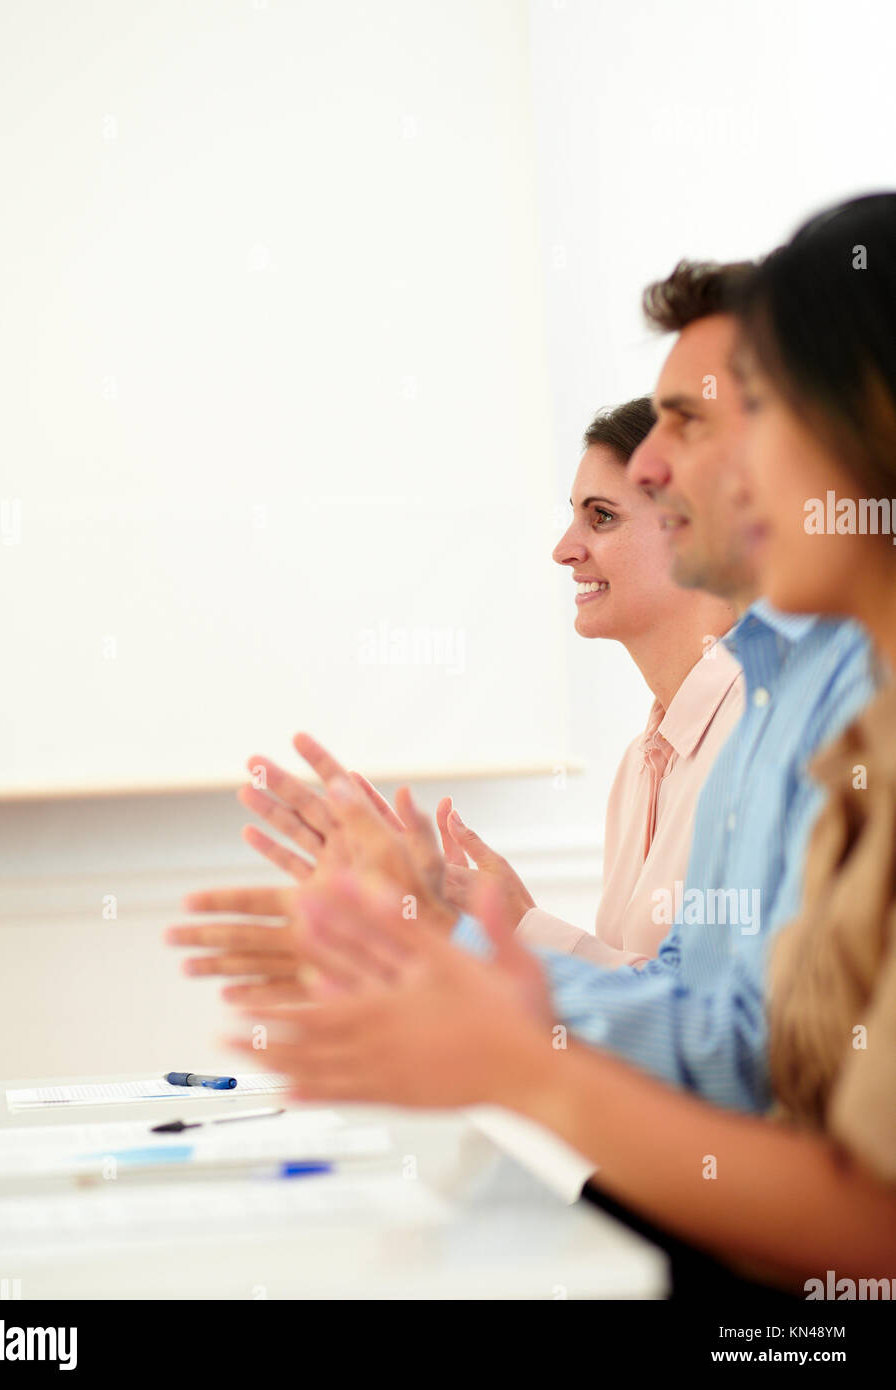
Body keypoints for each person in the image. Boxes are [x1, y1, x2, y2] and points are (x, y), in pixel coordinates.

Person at [234, 198, 896, 1295]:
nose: (663, 469)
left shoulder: (814, 699)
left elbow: (839, 1184)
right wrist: (452, 949)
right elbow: (715, 1011)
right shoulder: (779, 705)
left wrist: (490, 1008)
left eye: (718, 415)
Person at [165, 395, 743, 990]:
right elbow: (645, 1023)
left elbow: (716, 1032)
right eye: (573, 515)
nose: (564, 548)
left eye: (601, 517)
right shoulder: (640, 767)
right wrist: (498, 926)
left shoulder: (763, 740)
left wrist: (509, 932)